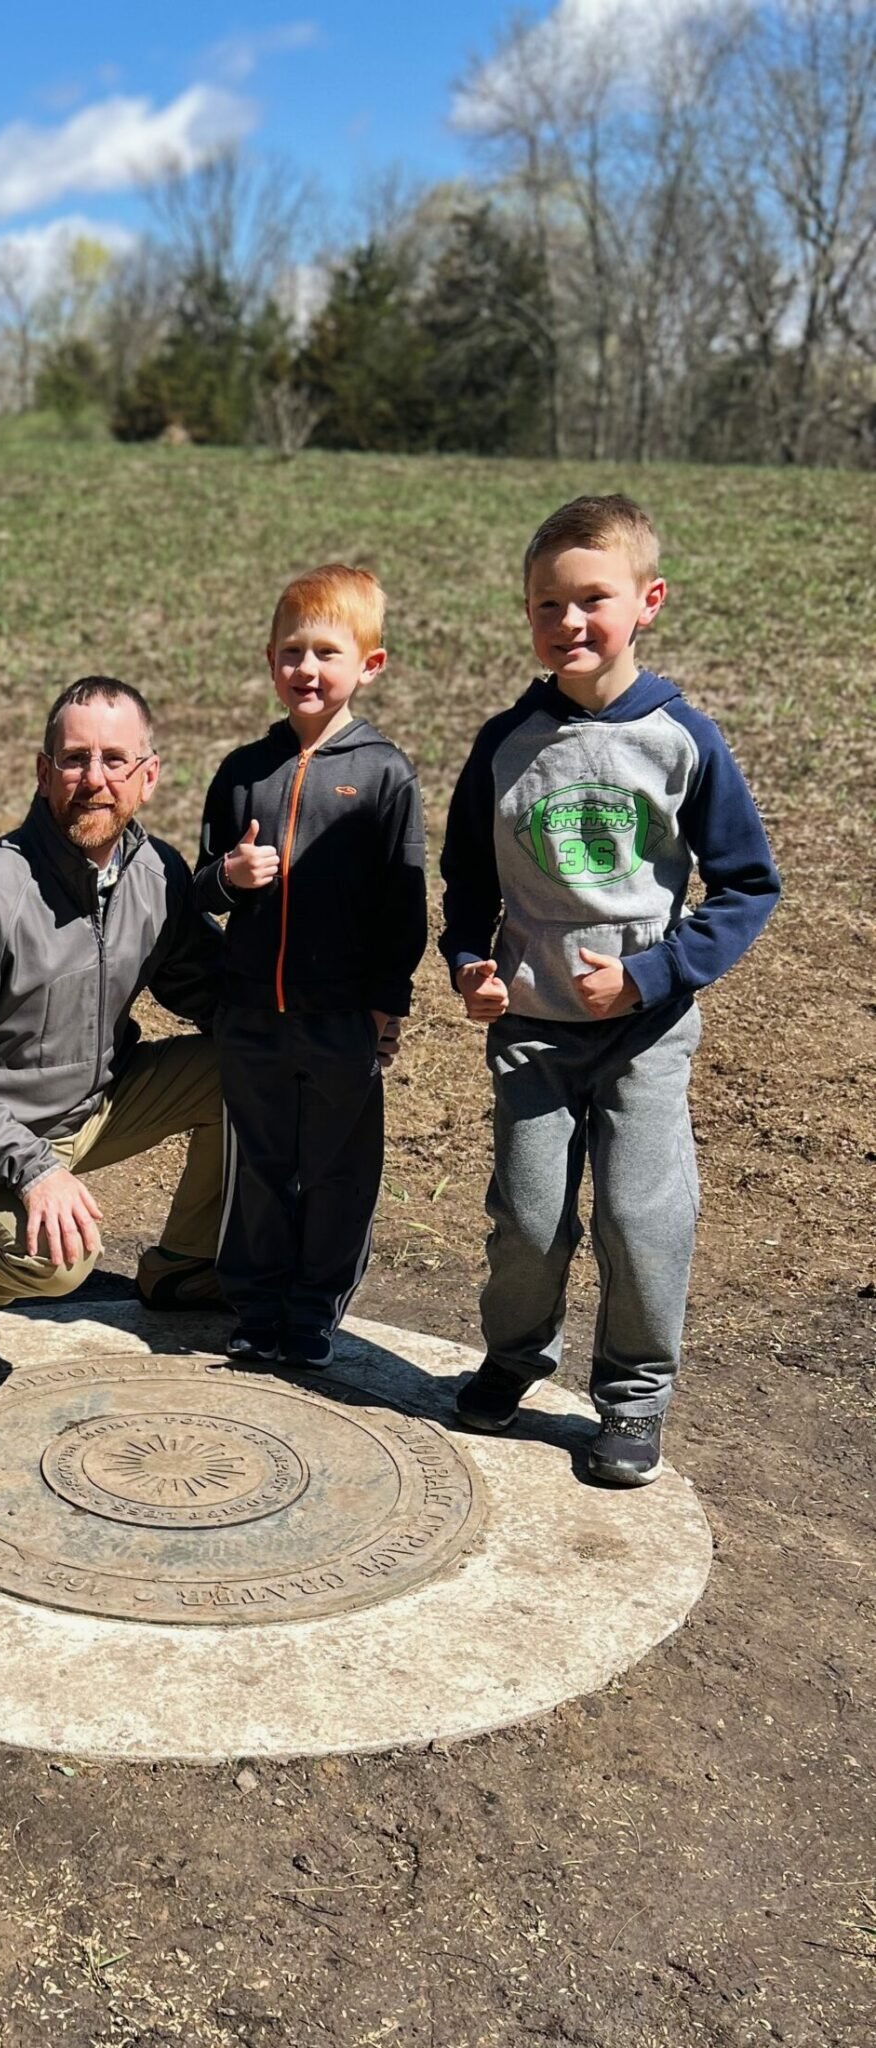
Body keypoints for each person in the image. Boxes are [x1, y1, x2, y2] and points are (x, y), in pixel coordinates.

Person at [439, 493, 779, 1485]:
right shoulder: (506, 742)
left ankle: (632, 1397)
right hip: (534, 1035)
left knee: (642, 1217)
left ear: (648, 601)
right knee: (531, 1220)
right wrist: (470, 961)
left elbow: (749, 884)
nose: (570, 622)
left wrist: (648, 973)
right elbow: (467, 880)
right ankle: (512, 1360)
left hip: (646, 1029)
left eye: (593, 598)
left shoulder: (683, 738)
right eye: (548, 604)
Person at [0, 676, 225, 1349]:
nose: (94, 779)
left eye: (115, 760)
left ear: (149, 775)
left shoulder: (157, 875)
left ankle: (186, 1271)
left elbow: (215, 991)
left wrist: (322, 1035)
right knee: (58, 1261)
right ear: (44, 772)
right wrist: (34, 1169)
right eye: (75, 760)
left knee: (249, 1070)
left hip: (94, 1106)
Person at [191, 565, 426, 1370]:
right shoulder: (242, 771)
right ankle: (256, 1309)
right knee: (261, 1165)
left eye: (328, 651)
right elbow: (199, 887)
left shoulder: (386, 775)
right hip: (252, 1014)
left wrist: (387, 1003)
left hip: (341, 1018)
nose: (307, 669)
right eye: (292, 651)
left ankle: (315, 1311)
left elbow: (405, 904)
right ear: (269, 660)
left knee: (336, 1169)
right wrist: (228, 875)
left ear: (370, 664)